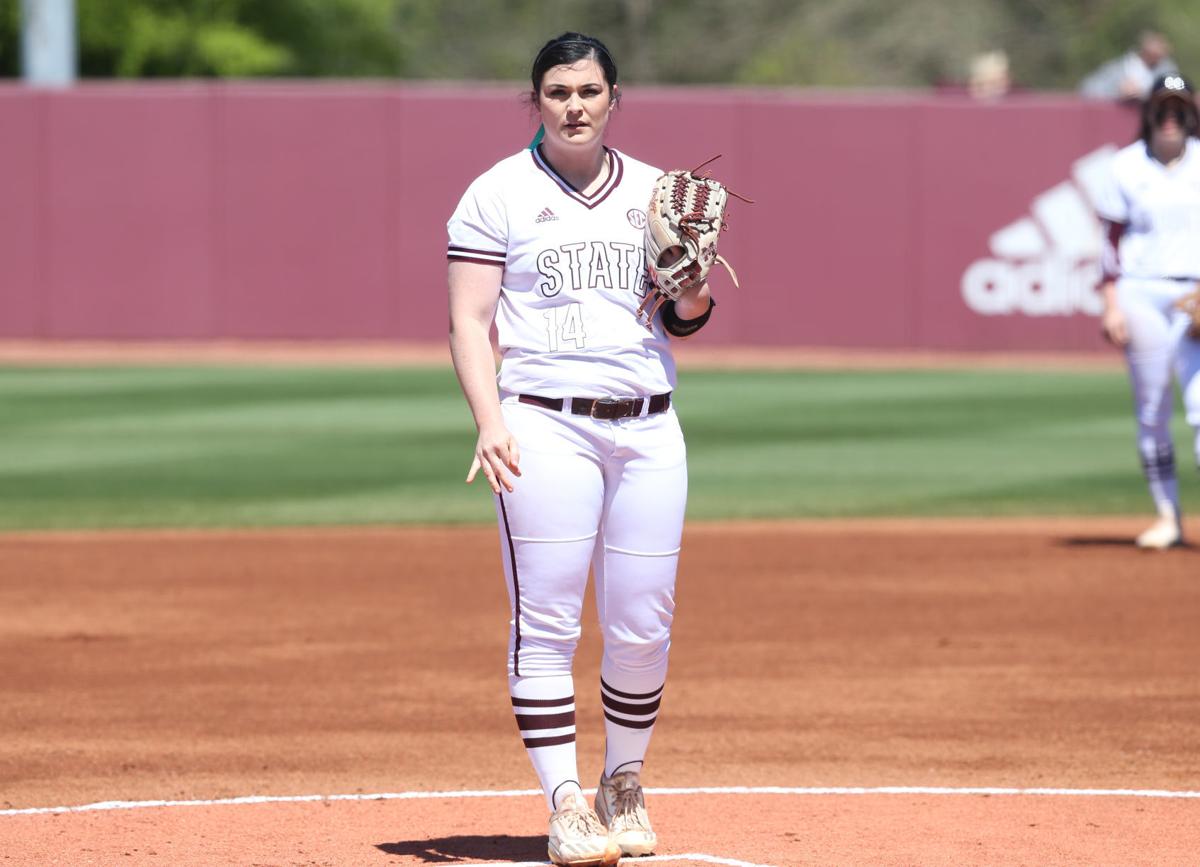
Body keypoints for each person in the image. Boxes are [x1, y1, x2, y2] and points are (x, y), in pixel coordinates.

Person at [446, 32, 716, 866]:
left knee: (642, 623)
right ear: (537, 99)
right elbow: (468, 320)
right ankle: (566, 801)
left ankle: (623, 783)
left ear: (613, 97)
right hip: (543, 423)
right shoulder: (495, 194)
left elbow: (686, 319)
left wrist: (695, 286)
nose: (574, 105)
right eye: (558, 91)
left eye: (588, 91)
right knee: (548, 621)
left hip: (648, 424)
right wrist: (490, 420)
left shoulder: (654, 192)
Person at [1095, 73, 1200, 549]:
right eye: (1164, 106)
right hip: (1142, 292)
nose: (1171, 115)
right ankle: (1167, 517)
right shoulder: (1125, 166)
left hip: (1195, 294)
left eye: (1180, 106)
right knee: (1153, 409)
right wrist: (1110, 303)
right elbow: (1110, 243)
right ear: (1149, 112)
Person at [1081, 30, 1178, 102]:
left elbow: (1177, 95)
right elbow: (1087, 89)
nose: (1161, 48)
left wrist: (1145, 94)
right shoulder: (1117, 68)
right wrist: (1117, 90)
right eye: (1158, 43)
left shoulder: (1168, 70)